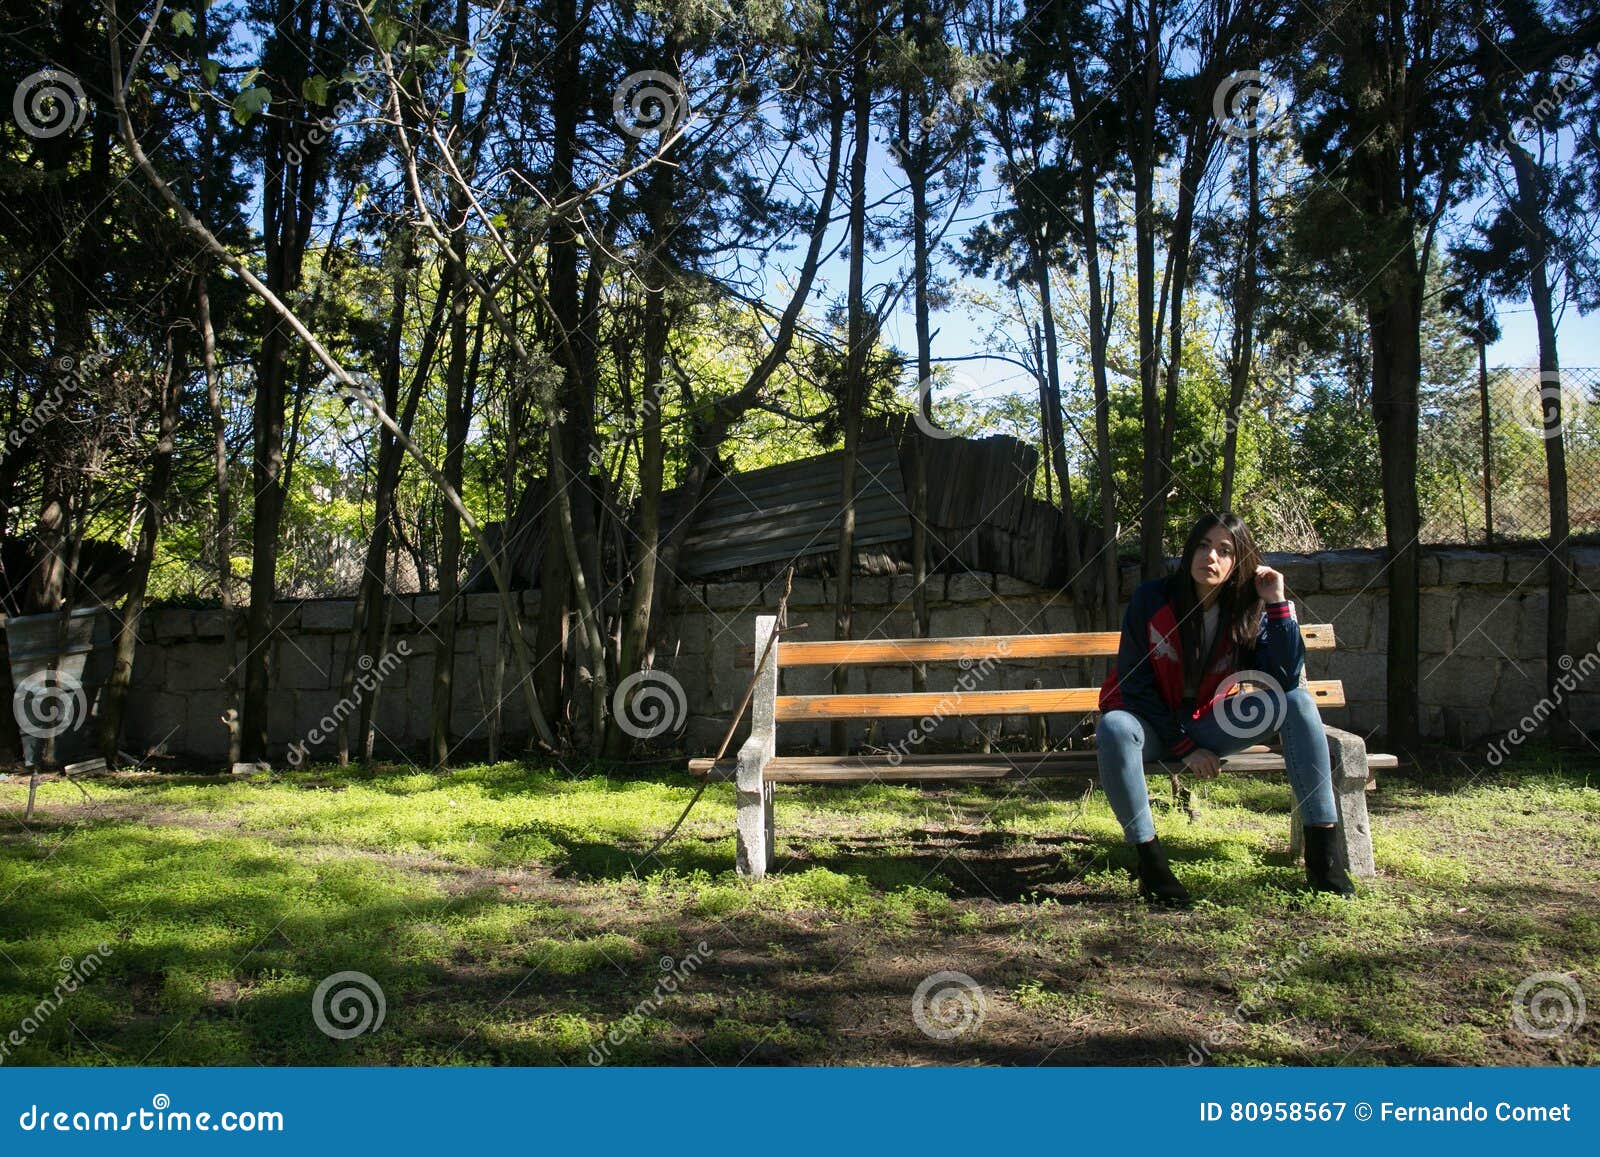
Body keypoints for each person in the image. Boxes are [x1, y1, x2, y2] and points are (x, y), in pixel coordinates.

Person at [1095, 512, 1355, 906]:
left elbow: (1284, 679)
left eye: (1224, 550)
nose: (1210, 557)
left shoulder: (1246, 607)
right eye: (1202, 545)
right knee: (1113, 726)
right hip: (1145, 726)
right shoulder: (1152, 598)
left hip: (1206, 722)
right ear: (1188, 551)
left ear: (1239, 562)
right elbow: (1134, 684)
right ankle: (1152, 867)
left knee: (1298, 701)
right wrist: (1184, 747)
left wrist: (1277, 604)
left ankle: (1325, 860)